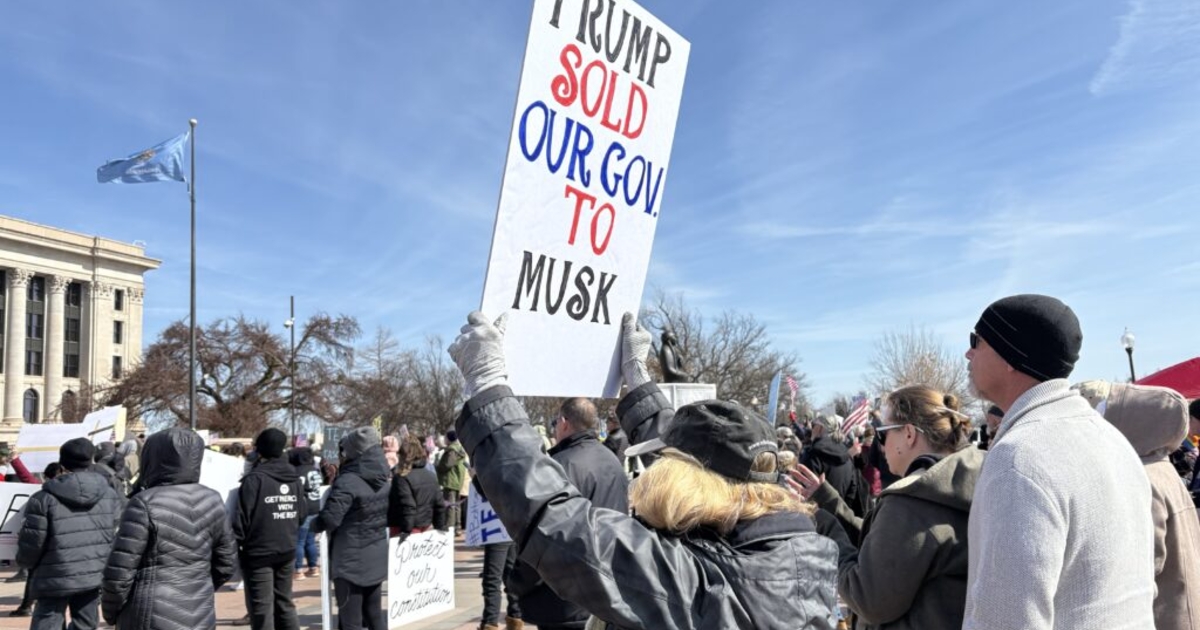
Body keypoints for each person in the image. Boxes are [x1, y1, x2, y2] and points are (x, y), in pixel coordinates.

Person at [448, 311, 839, 629]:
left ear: (693, 485)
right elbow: (698, 461)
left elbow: (561, 524)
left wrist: (488, 390)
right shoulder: (805, 549)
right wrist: (638, 382)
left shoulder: (701, 584)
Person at [962, 294, 1154, 629]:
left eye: (976, 341)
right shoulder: (1111, 439)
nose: (969, 353)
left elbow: (1007, 619)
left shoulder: (1019, 458)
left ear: (1011, 355)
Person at [794, 386, 984, 629]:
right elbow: (889, 546)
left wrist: (826, 525)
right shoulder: (971, 481)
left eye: (882, 434)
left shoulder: (912, 501)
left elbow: (867, 597)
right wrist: (828, 501)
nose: (880, 446)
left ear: (908, 434)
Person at [507, 397, 629, 630]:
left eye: (555, 423)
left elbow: (542, 536)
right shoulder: (611, 460)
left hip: (566, 596)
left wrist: (517, 582)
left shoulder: (559, 466)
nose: (554, 429)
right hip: (607, 592)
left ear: (564, 423)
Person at [102, 428, 238, 629]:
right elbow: (226, 563)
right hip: (200, 611)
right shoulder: (213, 500)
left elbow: (120, 573)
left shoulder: (144, 502)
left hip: (148, 612)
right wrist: (198, 586)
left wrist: (111, 614)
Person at [1093, 382, 1200, 630]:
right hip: (1183, 607)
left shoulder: (1142, 478)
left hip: (1164, 615)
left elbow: (1141, 567)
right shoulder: (1162, 468)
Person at [16, 438, 123, 630]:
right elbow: (113, 531)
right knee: (86, 622)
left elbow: (32, 542)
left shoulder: (43, 498)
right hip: (92, 570)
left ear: (62, 462)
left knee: (48, 621)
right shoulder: (109, 495)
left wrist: (26, 563)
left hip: (53, 573)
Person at [313, 427, 390, 630]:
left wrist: (313, 523)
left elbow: (330, 519)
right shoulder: (384, 477)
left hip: (350, 561)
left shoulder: (348, 481)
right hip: (375, 555)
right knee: (374, 615)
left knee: (351, 620)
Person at [233, 428, 305, 630]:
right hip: (287, 549)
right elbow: (302, 514)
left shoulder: (254, 480)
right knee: (285, 604)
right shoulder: (295, 479)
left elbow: (241, 520)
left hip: (258, 553)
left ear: (261, 450)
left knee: (262, 609)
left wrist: (235, 545)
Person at [388, 436, 446, 537]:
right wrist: (440, 526)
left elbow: (408, 506)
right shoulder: (430, 475)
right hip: (425, 525)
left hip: (404, 527)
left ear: (403, 456)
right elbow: (439, 504)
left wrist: (406, 531)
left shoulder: (401, 478)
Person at [290, 446, 323, 580]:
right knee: (310, 540)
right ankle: (313, 567)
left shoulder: (297, 471)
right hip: (316, 507)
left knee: (299, 541)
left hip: (303, 509)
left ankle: (298, 570)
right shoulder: (315, 471)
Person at [435, 430, 468, 533]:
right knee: (456, 504)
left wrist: (438, 466)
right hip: (457, 479)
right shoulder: (459, 448)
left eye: (445, 437)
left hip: (451, 480)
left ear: (449, 438)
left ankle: (450, 526)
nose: (444, 439)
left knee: (450, 504)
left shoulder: (452, 450)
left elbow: (447, 464)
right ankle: (457, 526)